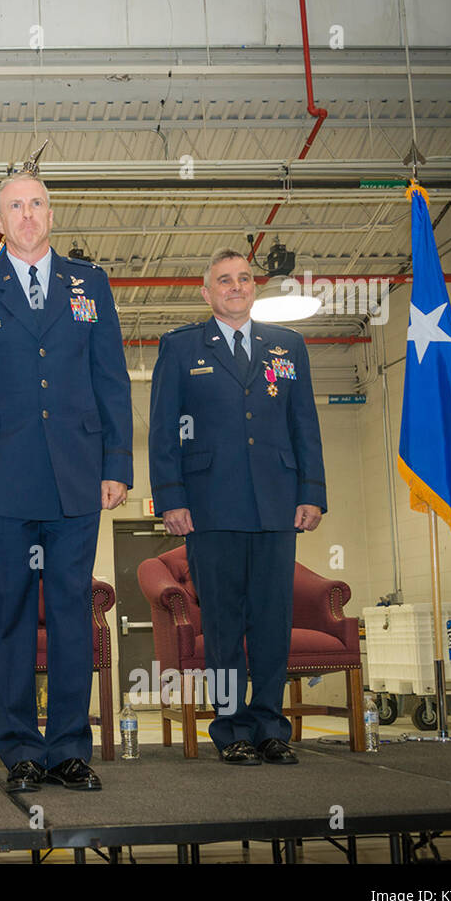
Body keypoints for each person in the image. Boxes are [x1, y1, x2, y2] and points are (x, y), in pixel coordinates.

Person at [0, 172, 132, 793]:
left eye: (37, 203)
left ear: (52, 213)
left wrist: (117, 464)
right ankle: (20, 747)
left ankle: (71, 748)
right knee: (12, 617)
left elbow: (112, 379)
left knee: (73, 613)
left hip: (76, 478)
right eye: (15, 206)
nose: (27, 214)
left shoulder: (90, 283)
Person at [148, 248, 325, 766]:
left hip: (277, 503)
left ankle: (270, 725)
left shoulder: (287, 346)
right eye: (224, 280)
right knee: (223, 623)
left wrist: (311, 490)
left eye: (244, 278)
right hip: (209, 506)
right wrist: (171, 498)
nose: (236, 286)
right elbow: (163, 433)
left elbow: (305, 424)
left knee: (273, 619)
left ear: (255, 287)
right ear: (207, 293)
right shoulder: (181, 348)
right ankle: (232, 730)